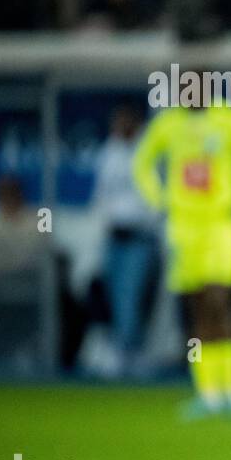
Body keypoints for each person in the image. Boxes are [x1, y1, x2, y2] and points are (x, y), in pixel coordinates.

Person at [132, 91, 231, 421]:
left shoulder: (230, 118)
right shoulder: (168, 123)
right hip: (183, 229)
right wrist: (159, 200)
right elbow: (141, 163)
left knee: (219, 302)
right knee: (197, 310)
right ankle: (209, 394)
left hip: (219, 227)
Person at [93, 103, 159, 375]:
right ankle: (120, 353)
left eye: (123, 121)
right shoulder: (109, 151)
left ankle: (132, 355)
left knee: (130, 298)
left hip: (139, 238)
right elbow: (102, 194)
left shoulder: (149, 150)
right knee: (113, 296)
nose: (118, 125)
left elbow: (155, 198)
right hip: (113, 237)